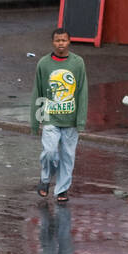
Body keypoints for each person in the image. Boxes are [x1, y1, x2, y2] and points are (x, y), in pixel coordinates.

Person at [31, 27, 88, 204]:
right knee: (49, 152)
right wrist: (35, 119)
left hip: (70, 120)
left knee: (67, 156)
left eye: (64, 40)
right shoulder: (44, 63)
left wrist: (81, 120)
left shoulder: (78, 63)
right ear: (53, 42)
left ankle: (62, 189)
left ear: (69, 42)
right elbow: (38, 91)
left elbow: (82, 92)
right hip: (50, 118)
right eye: (57, 40)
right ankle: (45, 179)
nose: (60, 44)